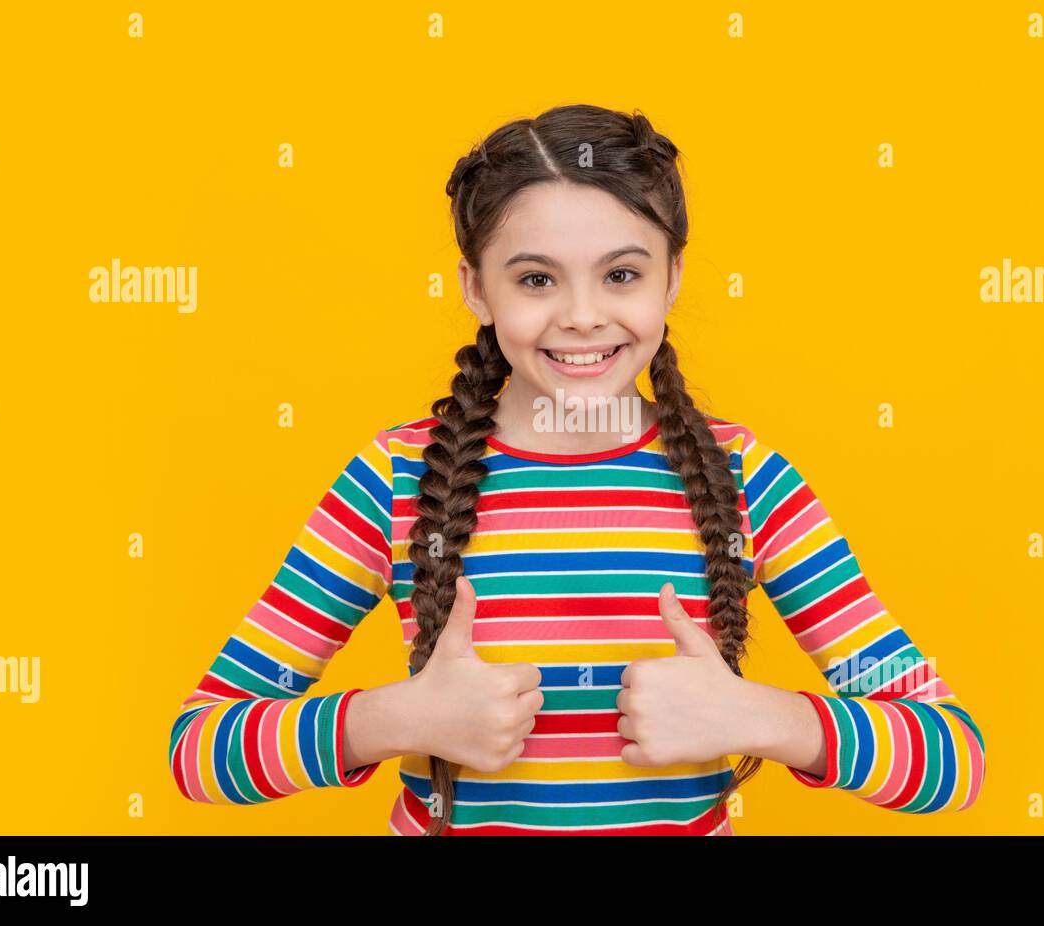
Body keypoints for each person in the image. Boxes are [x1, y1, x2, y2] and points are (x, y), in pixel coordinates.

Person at [168, 103, 985, 835]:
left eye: (622, 274)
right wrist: (394, 719)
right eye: (535, 279)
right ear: (477, 290)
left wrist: (761, 716)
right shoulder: (393, 479)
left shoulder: (751, 480)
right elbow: (200, 750)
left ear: (673, 281)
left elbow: (950, 758)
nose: (584, 315)